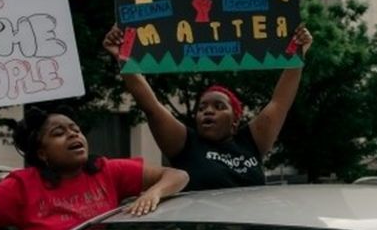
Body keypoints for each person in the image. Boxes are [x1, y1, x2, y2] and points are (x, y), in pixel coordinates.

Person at [102, 24, 313, 191]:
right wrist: (123, 58)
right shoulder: (185, 144)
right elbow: (151, 106)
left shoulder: (251, 142)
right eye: (202, 107)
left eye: (218, 106)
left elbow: (279, 102)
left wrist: (298, 54)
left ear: (235, 120)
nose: (208, 111)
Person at [0, 107, 189, 230]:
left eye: (75, 129)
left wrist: (154, 193)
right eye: (59, 133)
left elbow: (178, 175)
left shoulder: (105, 171)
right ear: (42, 153)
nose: (73, 134)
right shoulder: (23, 186)